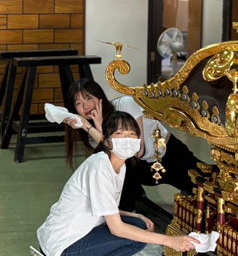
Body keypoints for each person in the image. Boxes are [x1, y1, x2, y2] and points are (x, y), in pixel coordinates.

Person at [36, 111, 198, 256]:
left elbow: (105, 206)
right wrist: (169, 241)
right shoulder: (99, 167)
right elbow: (116, 227)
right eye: (119, 134)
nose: (127, 138)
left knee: (139, 226)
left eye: (132, 134)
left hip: (77, 235)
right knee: (135, 236)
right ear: (106, 141)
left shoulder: (119, 166)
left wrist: (137, 216)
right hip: (60, 248)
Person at [62, 79, 204, 212]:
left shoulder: (126, 104)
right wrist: (98, 126)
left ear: (100, 97)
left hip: (170, 156)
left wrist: (99, 126)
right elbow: (118, 155)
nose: (85, 106)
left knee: (206, 184)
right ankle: (129, 212)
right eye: (78, 103)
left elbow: (137, 149)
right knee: (116, 166)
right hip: (140, 168)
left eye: (88, 98)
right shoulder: (92, 133)